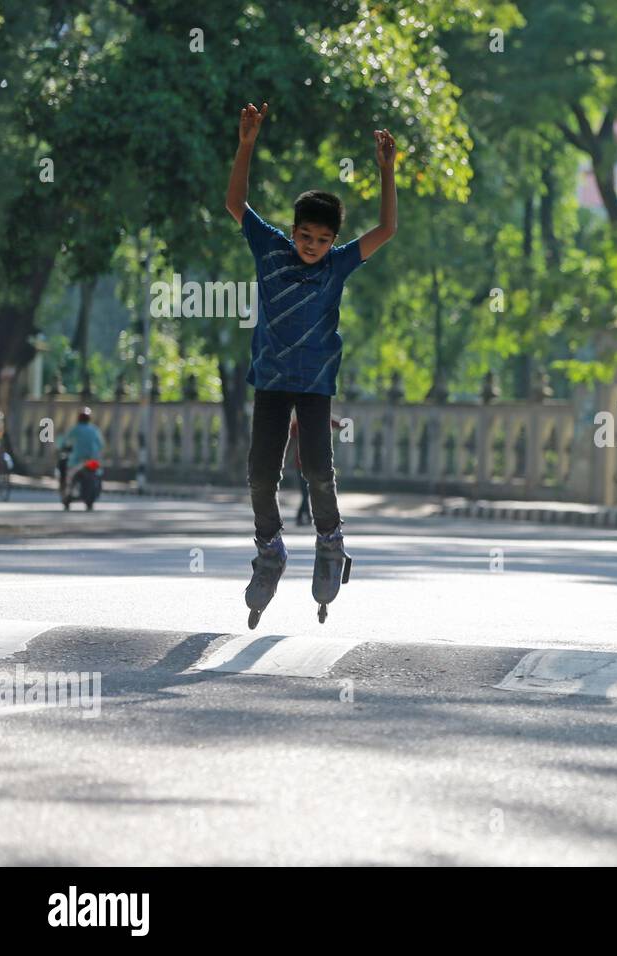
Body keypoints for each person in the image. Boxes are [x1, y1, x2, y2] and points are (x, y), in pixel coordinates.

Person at [225, 102, 398, 625]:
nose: (313, 248)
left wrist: (387, 171)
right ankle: (270, 548)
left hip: (316, 384)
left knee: (318, 468)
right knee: (260, 474)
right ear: (294, 229)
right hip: (272, 382)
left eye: (323, 240)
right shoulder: (270, 249)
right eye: (306, 237)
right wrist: (247, 143)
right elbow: (235, 202)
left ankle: (330, 538)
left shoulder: (339, 264)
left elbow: (386, 229)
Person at [58, 407, 104, 505]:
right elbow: (101, 445)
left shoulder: (75, 429)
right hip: (92, 460)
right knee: (98, 473)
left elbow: (64, 442)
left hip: (77, 461)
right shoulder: (94, 430)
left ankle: (67, 493)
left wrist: (62, 446)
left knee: (69, 475)